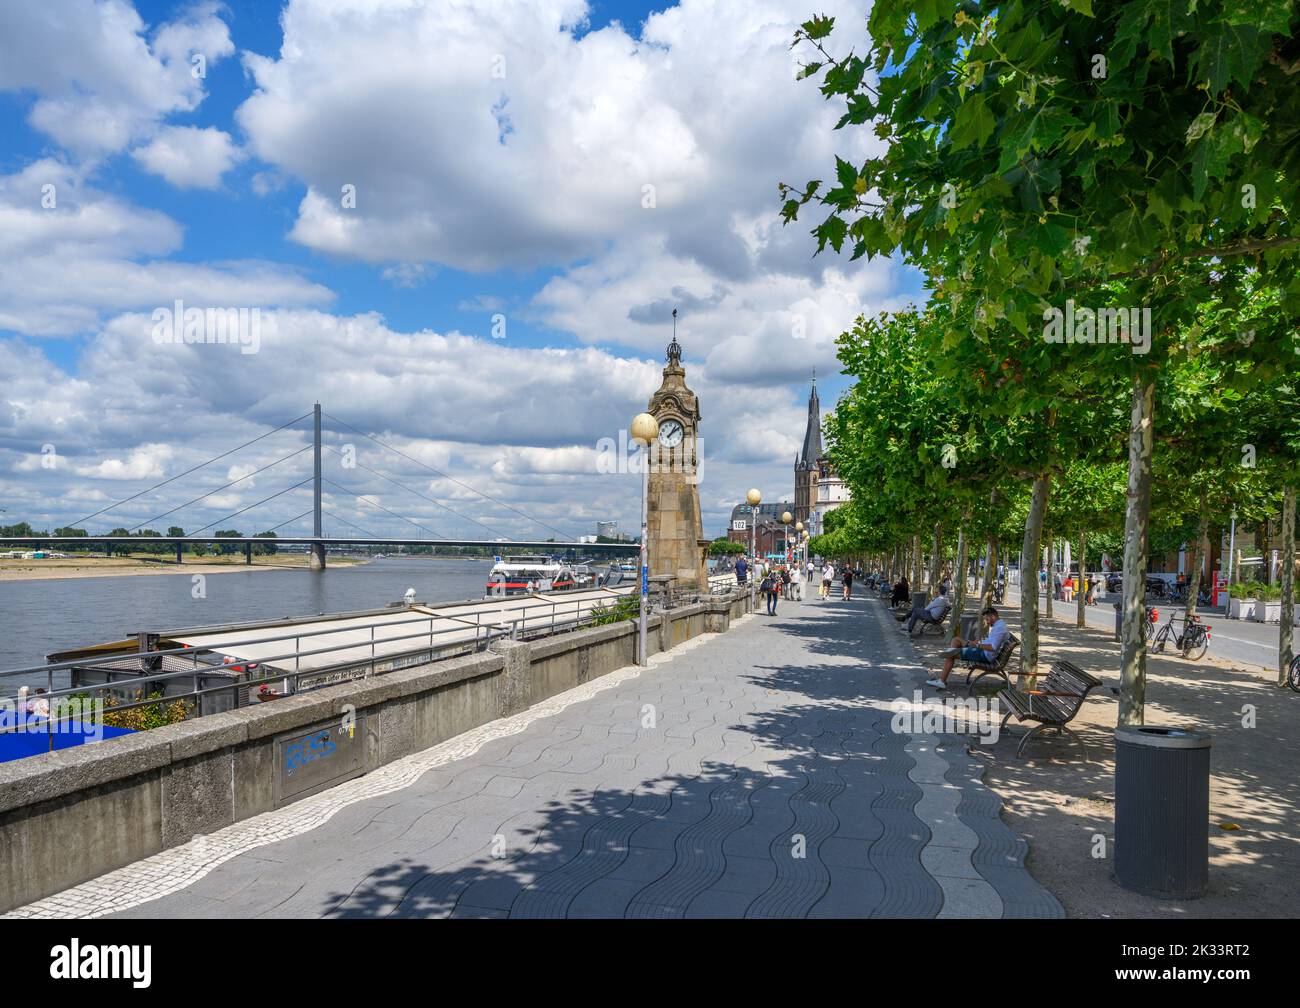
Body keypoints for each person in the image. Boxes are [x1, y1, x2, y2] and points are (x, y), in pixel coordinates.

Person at [928, 605, 1008, 689]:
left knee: (950, 654)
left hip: (984, 655)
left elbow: (993, 647)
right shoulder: (999, 625)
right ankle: (958, 651)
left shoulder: (999, 628)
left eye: (987, 619)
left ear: (993, 616)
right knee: (956, 640)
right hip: (982, 650)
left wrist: (977, 645)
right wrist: (978, 643)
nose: (987, 622)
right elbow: (993, 642)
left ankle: (942, 680)